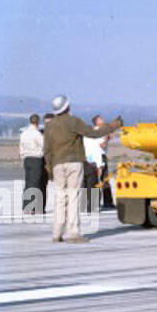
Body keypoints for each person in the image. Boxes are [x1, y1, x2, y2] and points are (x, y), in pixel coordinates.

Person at [41, 95, 122, 244]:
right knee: (73, 197)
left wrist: (50, 170)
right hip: (73, 162)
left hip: (57, 164)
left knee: (59, 198)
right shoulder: (73, 121)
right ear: (67, 107)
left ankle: (56, 233)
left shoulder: (49, 125)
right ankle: (73, 233)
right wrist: (113, 126)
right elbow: (93, 133)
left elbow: (46, 150)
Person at [18, 114, 46, 214]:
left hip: (27, 159)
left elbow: (21, 147)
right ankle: (34, 207)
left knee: (28, 182)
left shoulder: (24, 133)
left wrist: (23, 156)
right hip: (36, 159)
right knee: (35, 182)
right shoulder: (37, 134)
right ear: (38, 122)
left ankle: (26, 205)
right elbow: (44, 146)